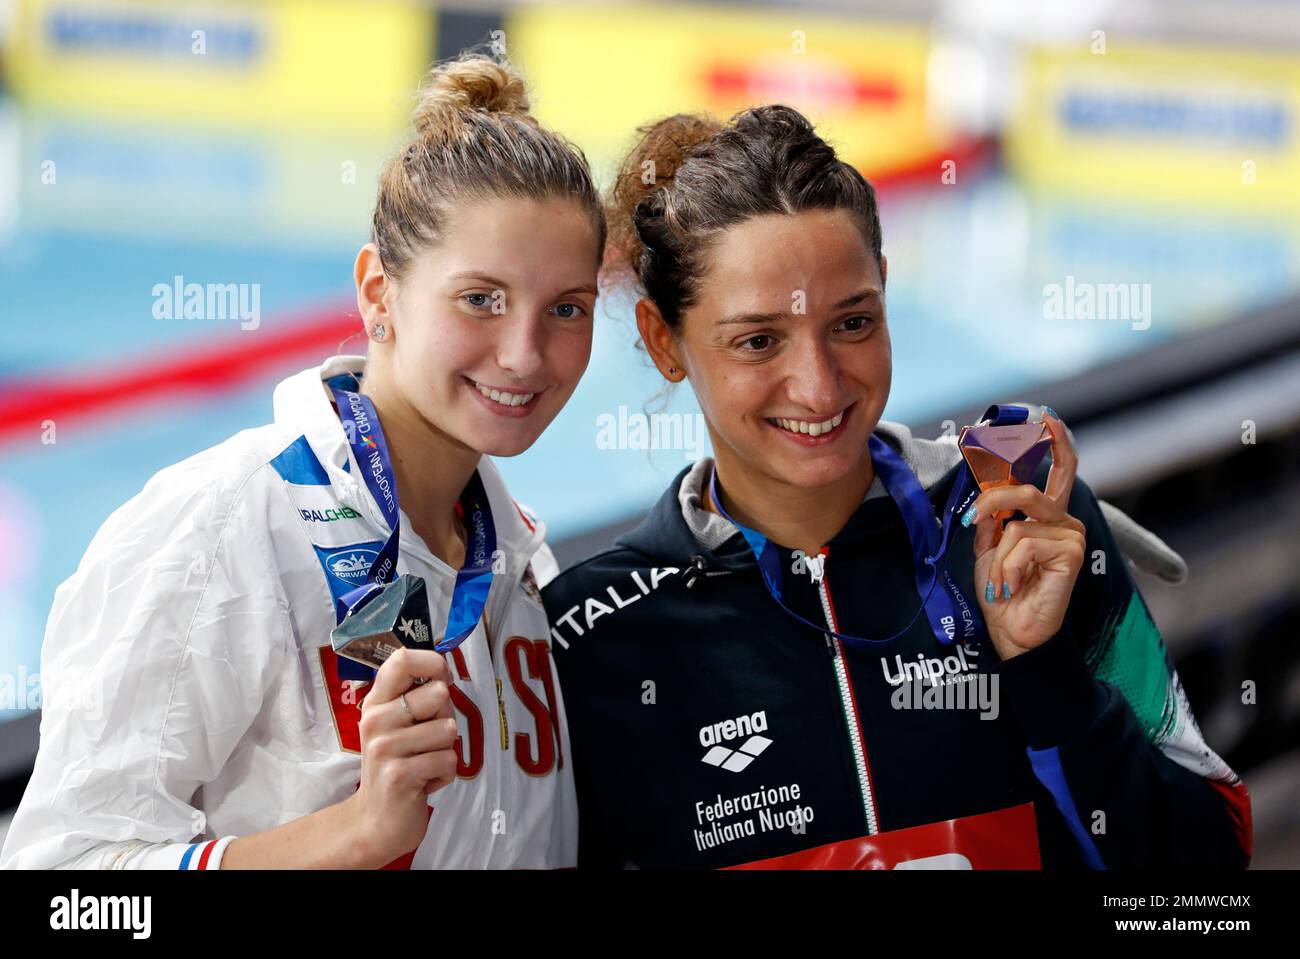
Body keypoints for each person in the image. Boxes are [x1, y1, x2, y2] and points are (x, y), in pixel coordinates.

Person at [542, 105, 1253, 869]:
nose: (818, 388)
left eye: (852, 324)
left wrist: (1046, 673)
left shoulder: (1023, 523)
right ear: (663, 341)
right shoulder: (594, 636)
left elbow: (1207, 876)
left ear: (884, 288)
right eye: (758, 341)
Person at [1, 51, 605, 870]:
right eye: (480, 299)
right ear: (377, 293)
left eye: (566, 308)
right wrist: (356, 832)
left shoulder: (516, 563)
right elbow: (69, 889)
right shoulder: (224, 526)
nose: (526, 354)